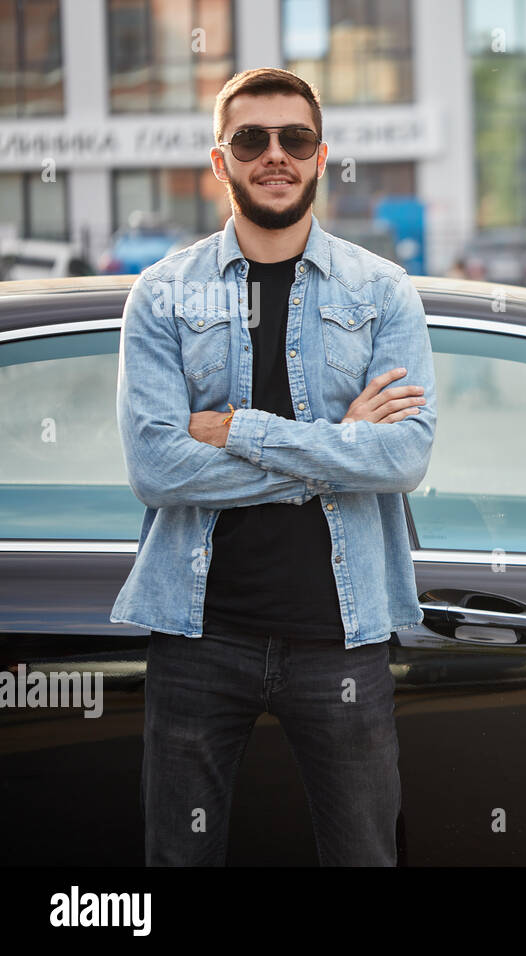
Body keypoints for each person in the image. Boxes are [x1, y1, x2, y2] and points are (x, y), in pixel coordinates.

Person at [110, 67, 437, 866]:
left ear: (320, 156)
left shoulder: (383, 292)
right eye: (251, 139)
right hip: (198, 635)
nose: (274, 155)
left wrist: (240, 432)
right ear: (220, 162)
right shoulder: (161, 296)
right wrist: (336, 449)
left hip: (342, 640)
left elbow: (403, 453)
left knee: (363, 855)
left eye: (294, 139)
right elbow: (157, 467)